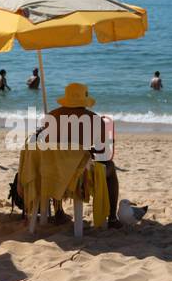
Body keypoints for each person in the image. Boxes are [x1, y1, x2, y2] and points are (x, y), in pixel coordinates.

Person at [46, 82, 121, 227]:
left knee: (57, 161)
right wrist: (89, 151)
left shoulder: (51, 116)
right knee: (111, 167)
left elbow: (50, 147)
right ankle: (112, 218)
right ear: (84, 100)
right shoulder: (94, 119)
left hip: (56, 173)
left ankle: (59, 212)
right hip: (81, 176)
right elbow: (103, 152)